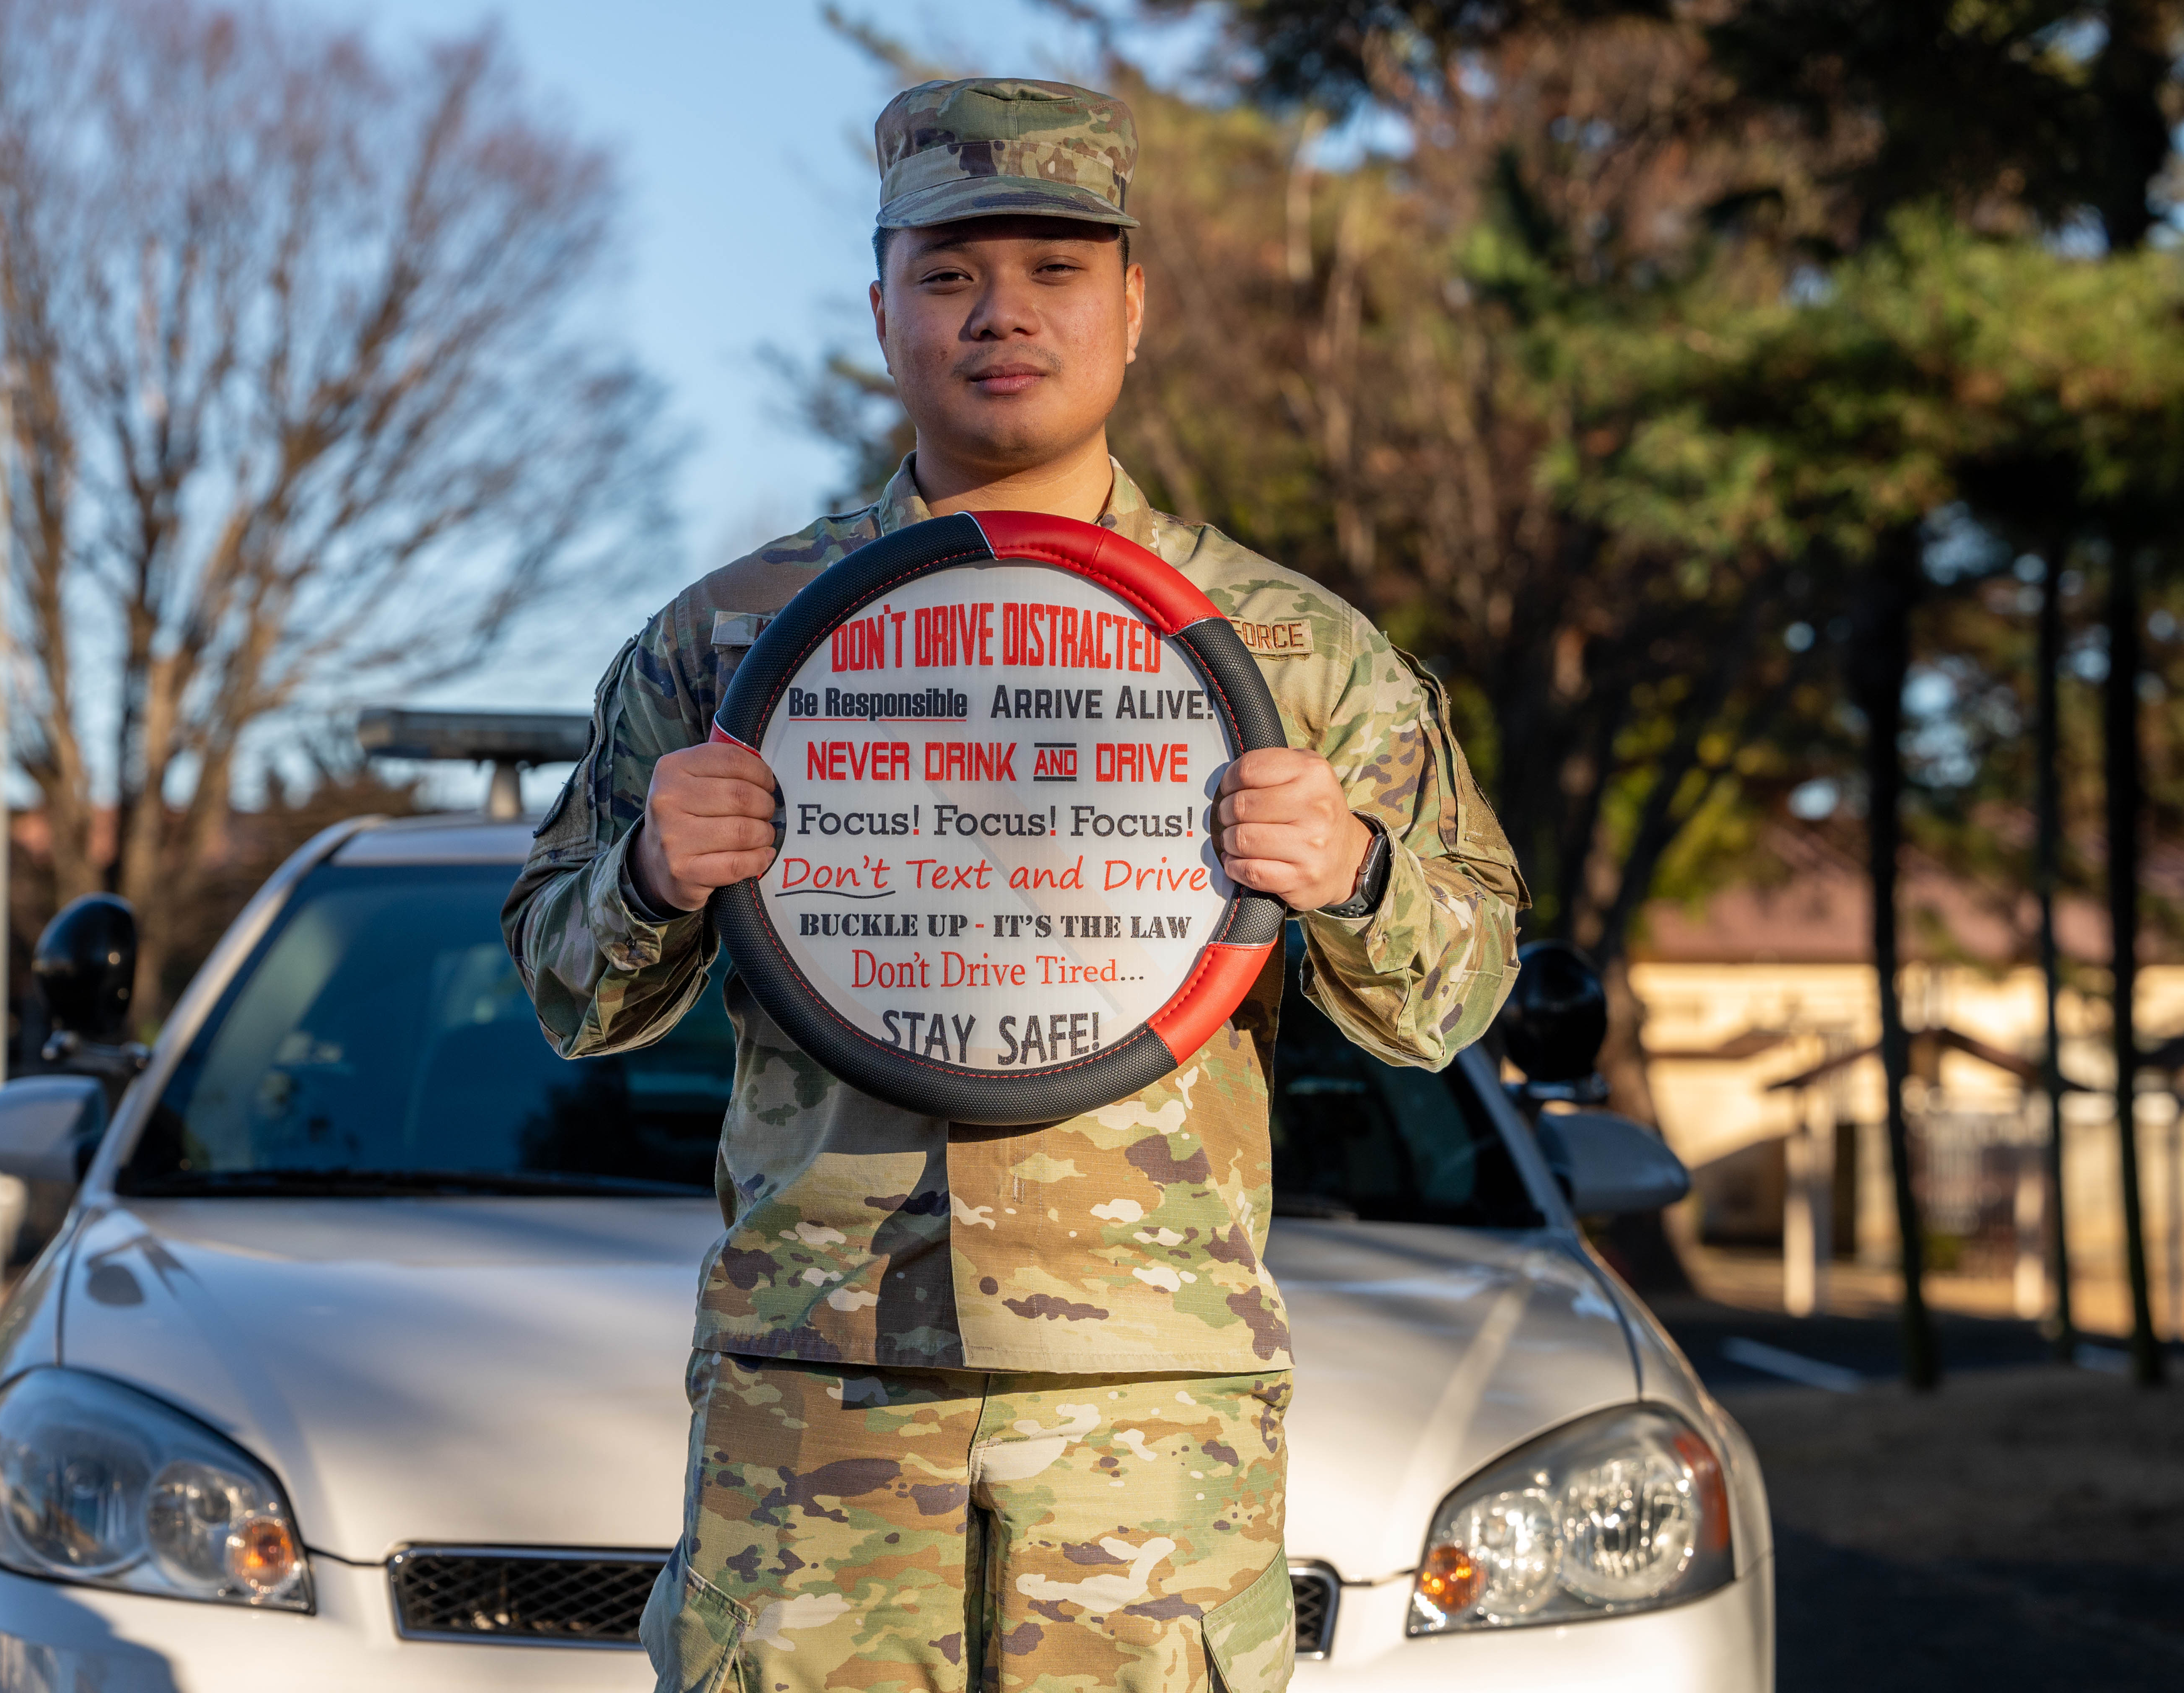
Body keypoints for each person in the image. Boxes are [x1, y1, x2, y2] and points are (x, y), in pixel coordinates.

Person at [505, 77, 1526, 1693]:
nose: (1003, 315)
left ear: (1135, 305)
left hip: (1144, 1405)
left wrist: (1353, 873)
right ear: (883, 308)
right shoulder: (730, 637)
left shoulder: (1295, 654)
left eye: (1056, 270)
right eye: (951, 273)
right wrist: (646, 874)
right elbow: (565, 989)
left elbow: (1455, 998)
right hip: (817, 1390)